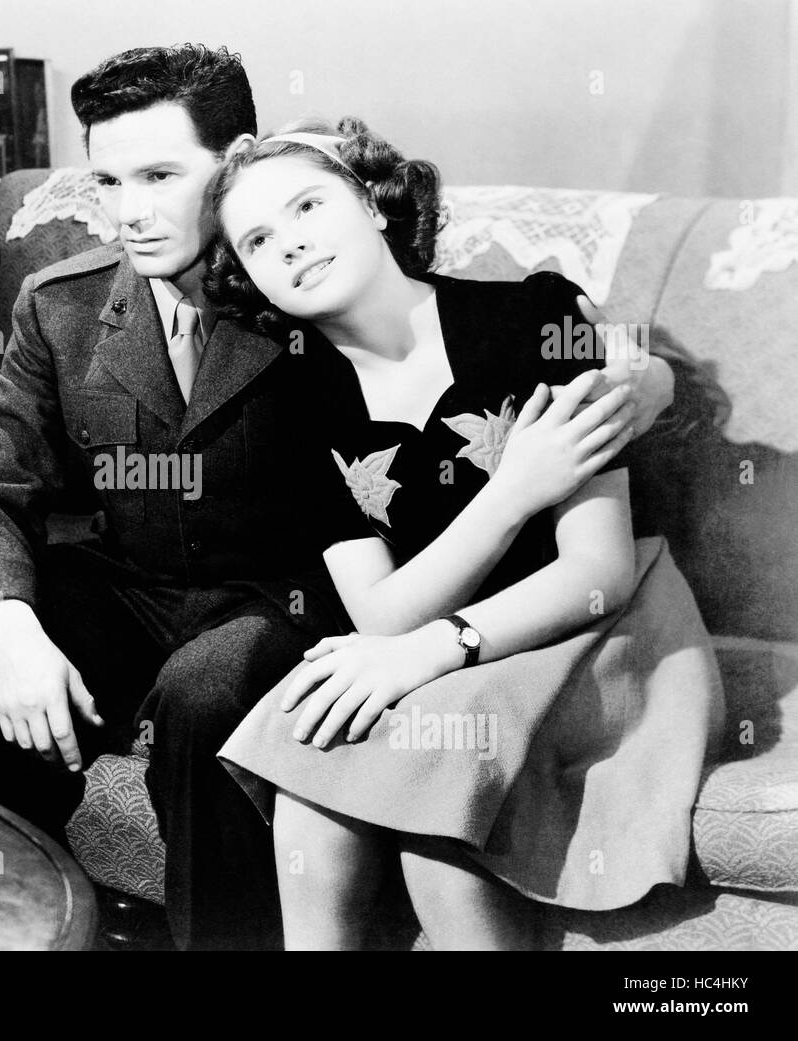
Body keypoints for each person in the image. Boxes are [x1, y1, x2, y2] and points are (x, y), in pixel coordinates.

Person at [0, 45, 674, 951]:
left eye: (161, 175)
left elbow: (475, 340)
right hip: (129, 587)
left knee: (211, 684)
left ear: (235, 159)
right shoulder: (60, 306)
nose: (130, 212)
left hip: (280, 598)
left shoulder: (302, 303)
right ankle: (16, 919)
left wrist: (647, 374)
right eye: (109, 181)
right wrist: (7, 624)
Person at [209, 119, 725, 950]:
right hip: (436, 646)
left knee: (432, 830)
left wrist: (434, 647)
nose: (293, 244)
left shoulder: (536, 316)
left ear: (376, 206)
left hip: (601, 631)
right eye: (261, 240)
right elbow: (378, 615)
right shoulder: (288, 405)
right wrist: (513, 490)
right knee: (308, 797)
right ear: (254, 279)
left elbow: (598, 569)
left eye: (309, 205)